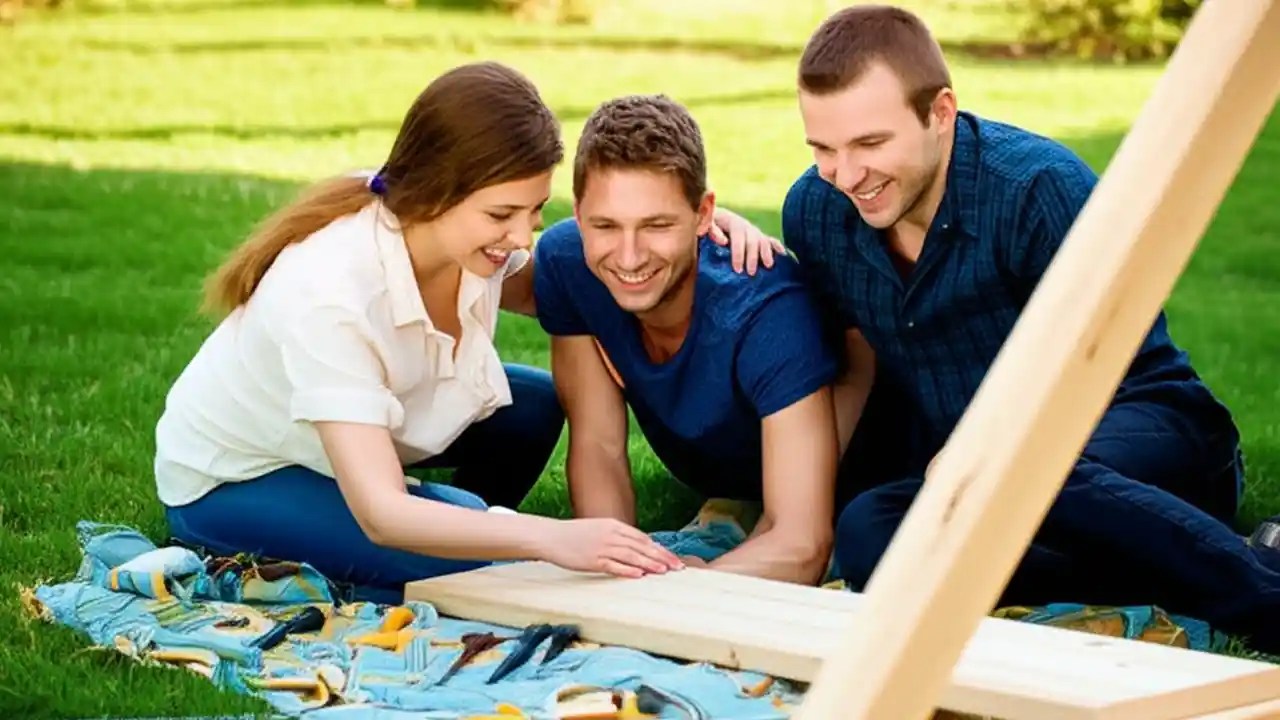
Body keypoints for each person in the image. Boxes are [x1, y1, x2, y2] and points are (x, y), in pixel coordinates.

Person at [153, 61, 777, 604]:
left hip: (363, 437)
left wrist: (699, 226)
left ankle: (440, 536)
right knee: (491, 557)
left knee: (531, 410)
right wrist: (548, 536)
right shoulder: (330, 292)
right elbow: (382, 513)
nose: (521, 239)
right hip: (238, 478)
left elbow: (583, 278)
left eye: (533, 212)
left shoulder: (461, 239)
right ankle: (433, 543)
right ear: (436, 193)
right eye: (502, 215)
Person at [768, 5, 1280, 650]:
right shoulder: (816, 211)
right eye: (823, 148)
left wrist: (989, 452)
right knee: (871, 532)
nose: (846, 175)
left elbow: (1086, 370)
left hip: (1137, 432)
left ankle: (1267, 595)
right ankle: (1175, 555)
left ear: (941, 113)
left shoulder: (1038, 187)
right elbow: (852, 361)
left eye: (870, 144)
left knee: (1028, 475)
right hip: (978, 483)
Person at [532, 94, 853, 587]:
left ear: (704, 214)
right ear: (578, 214)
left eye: (657, 225)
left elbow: (802, 544)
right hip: (734, 482)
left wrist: (672, 591)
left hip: (864, 475)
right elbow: (597, 443)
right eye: (605, 226)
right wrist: (615, 572)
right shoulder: (567, 263)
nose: (630, 256)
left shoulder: (767, 313)